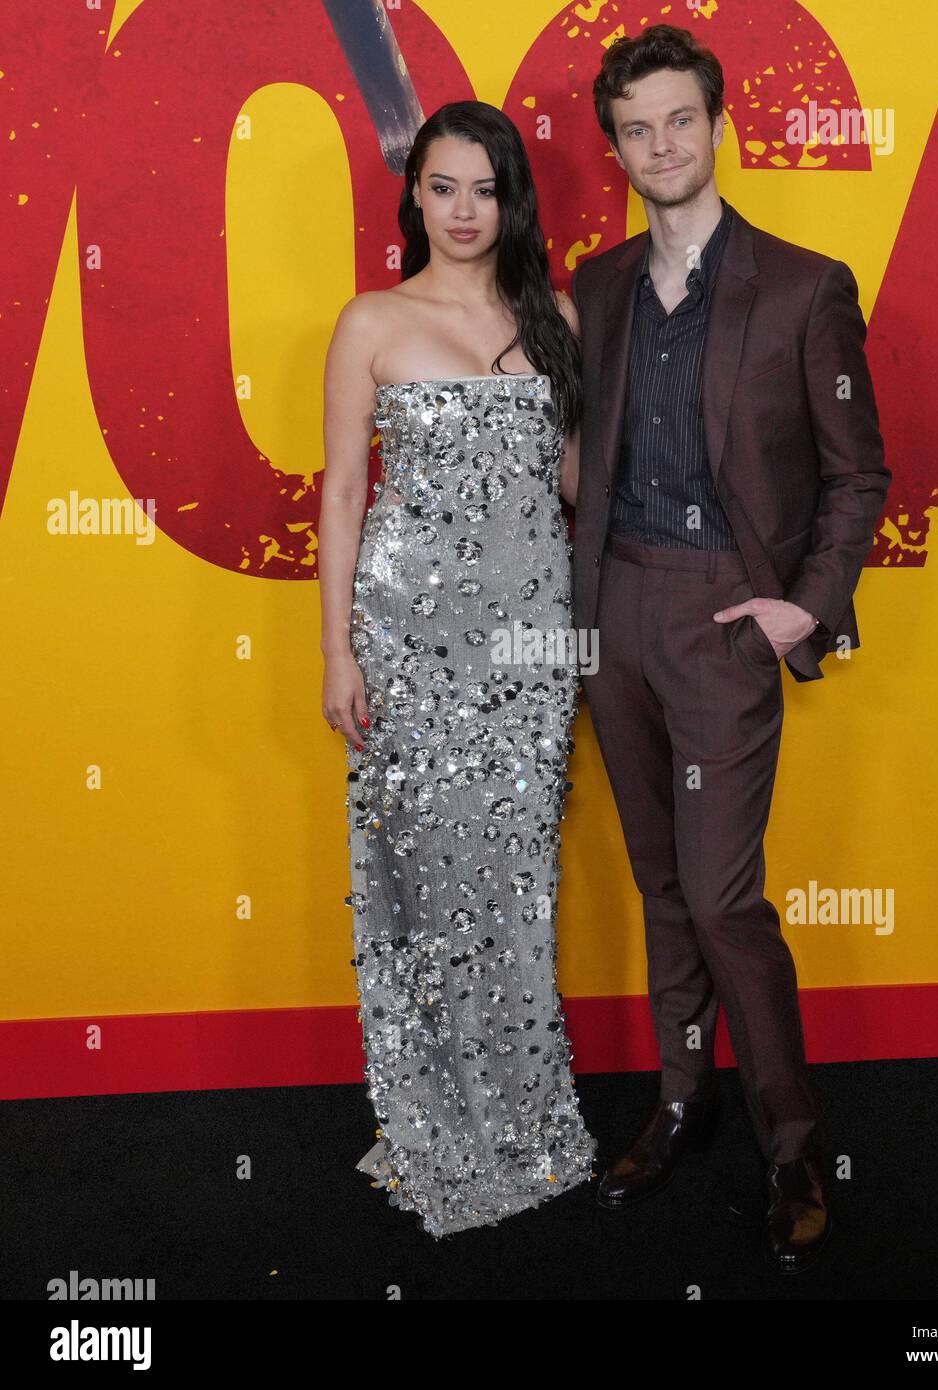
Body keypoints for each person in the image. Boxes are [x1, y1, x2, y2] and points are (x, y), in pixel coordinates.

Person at [568, 25, 891, 1271]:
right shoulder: (594, 288)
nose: (659, 146)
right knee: (657, 885)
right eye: (635, 129)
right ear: (616, 148)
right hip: (614, 614)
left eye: (678, 121)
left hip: (720, 618)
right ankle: (678, 1098)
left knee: (719, 895)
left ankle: (792, 1139)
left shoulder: (803, 285)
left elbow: (858, 470)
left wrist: (802, 606)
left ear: (717, 125)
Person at [317, 100, 596, 1238]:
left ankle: (525, 1127)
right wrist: (335, 646)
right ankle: (440, 1123)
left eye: (485, 189)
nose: (465, 211)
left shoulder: (556, 316)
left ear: (511, 198)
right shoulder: (370, 321)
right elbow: (340, 492)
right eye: (443, 188)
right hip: (407, 650)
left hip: (531, 647)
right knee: (429, 892)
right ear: (414, 197)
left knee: (517, 888)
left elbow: (579, 488)